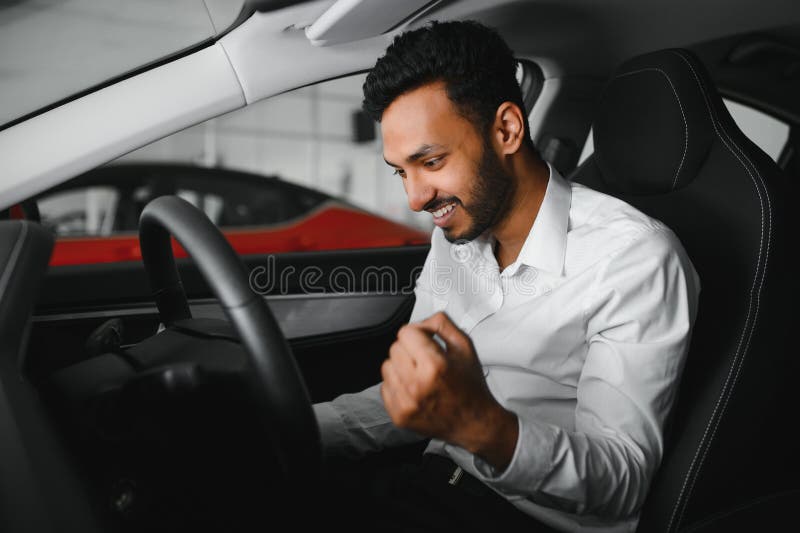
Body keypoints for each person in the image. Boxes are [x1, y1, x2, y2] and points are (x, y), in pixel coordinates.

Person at [312, 20, 700, 533]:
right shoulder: (455, 232)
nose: (415, 198)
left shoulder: (633, 259)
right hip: (424, 488)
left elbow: (620, 480)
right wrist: (297, 430)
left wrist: (482, 427)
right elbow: (418, 398)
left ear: (507, 130)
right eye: (402, 171)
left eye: (431, 161)